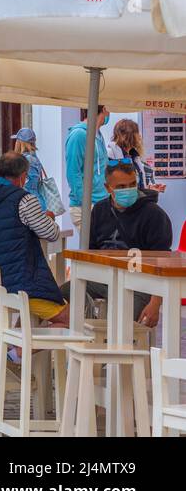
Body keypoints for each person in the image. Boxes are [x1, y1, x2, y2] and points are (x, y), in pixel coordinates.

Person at [61, 160, 174, 328]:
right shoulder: (99, 210)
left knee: (120, 327)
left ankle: (101, 347)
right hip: (101, 279)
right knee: (52, 298)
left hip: (139, 284)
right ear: (108, 188)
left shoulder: (155, 215)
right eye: (121, 187)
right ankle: (21, 349)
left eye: (132, 184)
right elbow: (91, 252)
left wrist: (155, 303)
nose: (128, 190)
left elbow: (163, 263)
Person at [0, 152, 67, 324]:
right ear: (23, 176)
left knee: (34, 311)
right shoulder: (23, 200)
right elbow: (52, 234)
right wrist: (48, 217)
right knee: (68, 319)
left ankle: (13, 345)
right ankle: (16, 352)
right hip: (17, 284)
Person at [65, 105, 109, 217]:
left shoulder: (98, 134)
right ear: (104, 109)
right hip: (87, 206)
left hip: (102, 202)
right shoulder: (78, 135)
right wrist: (86, 203)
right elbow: (73, 173)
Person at [107, 118, 166, 193]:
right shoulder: (110, 155)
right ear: (127, 135)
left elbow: (136, 185)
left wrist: (150, 188)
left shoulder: (134, 156)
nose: (140, 137)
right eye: (137, 133)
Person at [12, 127, 45, 200]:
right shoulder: (34, 157)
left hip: (29, 202)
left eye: (17, 140)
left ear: (20, 142)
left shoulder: (26, 159)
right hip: (37, 199)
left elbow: (28, 184)